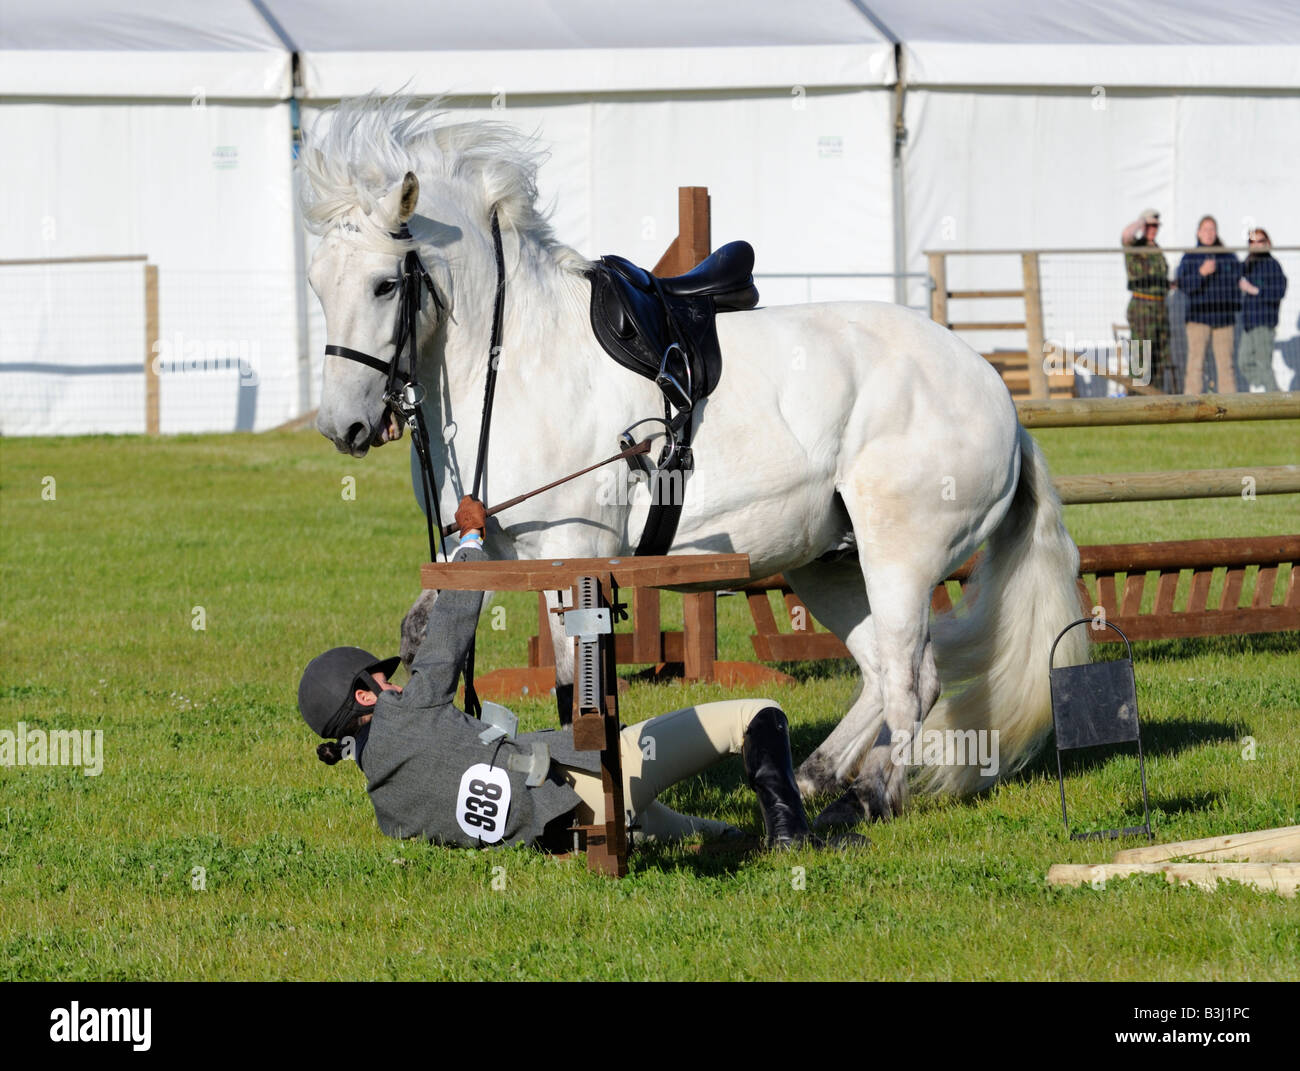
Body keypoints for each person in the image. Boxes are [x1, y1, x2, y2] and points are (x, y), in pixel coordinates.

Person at [299, 496, 858, 853]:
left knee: (716, 837)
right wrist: (471, 540)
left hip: (562, 835)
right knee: (759, 714)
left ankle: (757, 836)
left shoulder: (387, 812)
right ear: (363, 697)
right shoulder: (406, 714)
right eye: (382, 679)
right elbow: (451, 627)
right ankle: (794, 841)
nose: (393, 682)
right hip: (591, 783)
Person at [1175, 215, 1242, 394]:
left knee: (1226, 365)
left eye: (1212, 229)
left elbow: (1237, 282)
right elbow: (1183, 285)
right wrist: (1201, 273)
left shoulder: (1228, 256)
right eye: (1205, 229)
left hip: (1224, 319)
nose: (1209, 233)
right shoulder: (1190, 256)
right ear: (1198, 232)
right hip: (1198, 318)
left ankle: (1230, 408)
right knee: (1195, 363)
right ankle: (1191, 404)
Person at [1121, 208, 1173, 392]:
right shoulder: (1136, 245)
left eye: (1155, 226)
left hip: (1159, 307)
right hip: (1142, 306)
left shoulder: (1156, 249)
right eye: (1150, 225)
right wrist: (1141, 221)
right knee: (1141, 356)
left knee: (1159, 356)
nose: (1153, 229)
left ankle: (1154, 400)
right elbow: (1126, 234)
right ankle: (1135, 401)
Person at [1237, 228, 1287, 392]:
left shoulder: (1272, 265)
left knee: (1264, 364)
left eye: (1260, 241)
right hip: (1249, 324)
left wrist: (1255, 290)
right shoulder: (1247, 264)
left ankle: (1276, 400)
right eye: (1252, 241)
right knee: (1243, 362)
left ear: (1268, 243)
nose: (1256, 245)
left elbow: (1279, 291)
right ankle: (1271, 389)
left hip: (1264, 323)